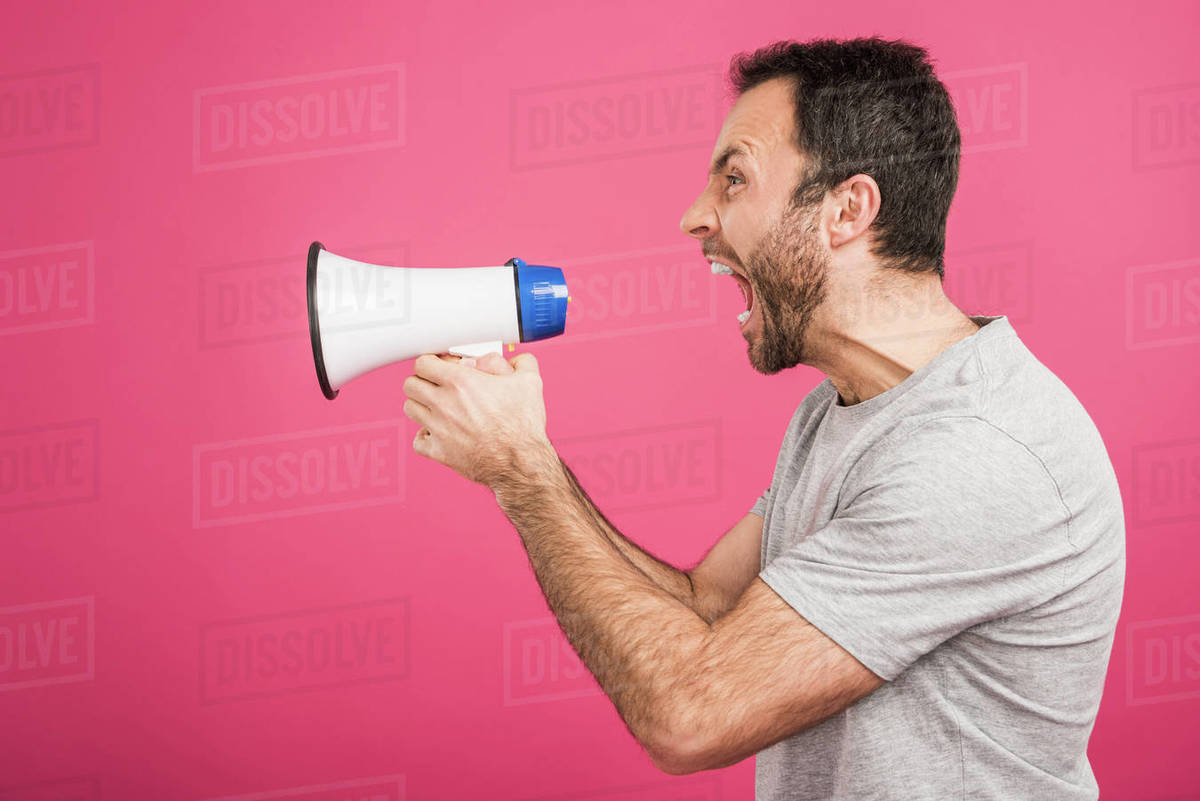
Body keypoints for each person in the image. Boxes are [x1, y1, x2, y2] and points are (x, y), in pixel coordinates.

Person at [401, 36, 1125, 800]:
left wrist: (524, 474)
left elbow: (689, 713)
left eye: (735, 178)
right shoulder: (840, 408)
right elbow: (708, 607)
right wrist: (523, 454)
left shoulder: (978, 456)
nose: (694, 217)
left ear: (847, 209)